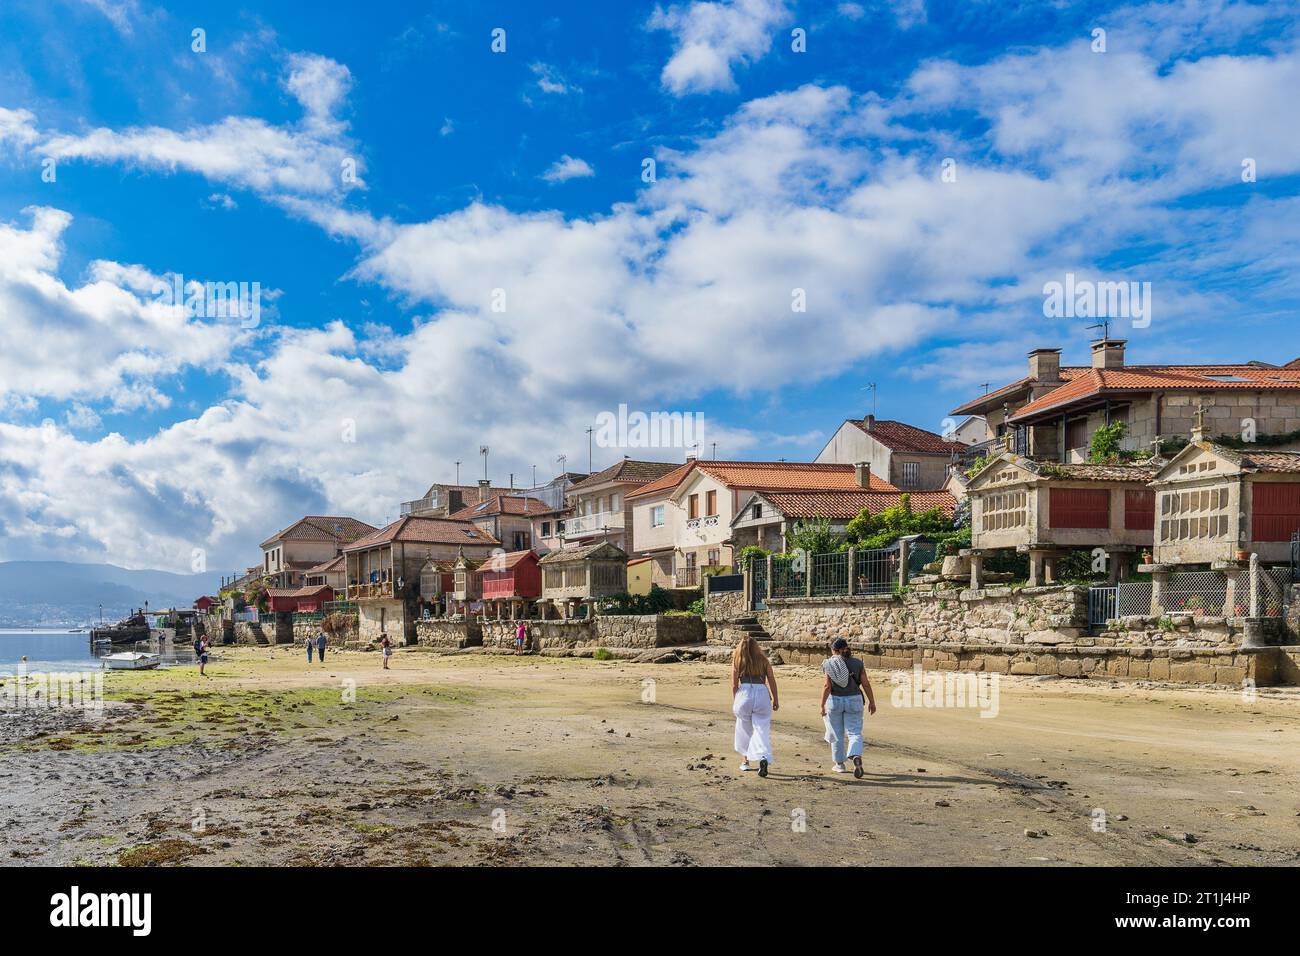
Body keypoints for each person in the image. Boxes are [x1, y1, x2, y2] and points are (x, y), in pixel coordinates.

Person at [819, 638, 876, 777]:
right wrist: (872, 701)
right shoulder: (857, 663)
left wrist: (822, 704)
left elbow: (827, 686)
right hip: (854, 699)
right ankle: (855, 754)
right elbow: (866, 684)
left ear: (833, 650)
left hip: (835, 700)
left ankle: (839, 765)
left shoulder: (829, 663)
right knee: (854, 732)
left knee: (837, 734)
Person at [731, 635, 778, 777]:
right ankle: (763, 757)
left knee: (744, 728)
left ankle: (745, 761)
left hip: (744, 694)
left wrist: (736, 700)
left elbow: (734, 685)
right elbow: (771, 680)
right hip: (762, 694)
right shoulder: (763, 660)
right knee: (761, 729)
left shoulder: (737, 660)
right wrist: (776, 699)